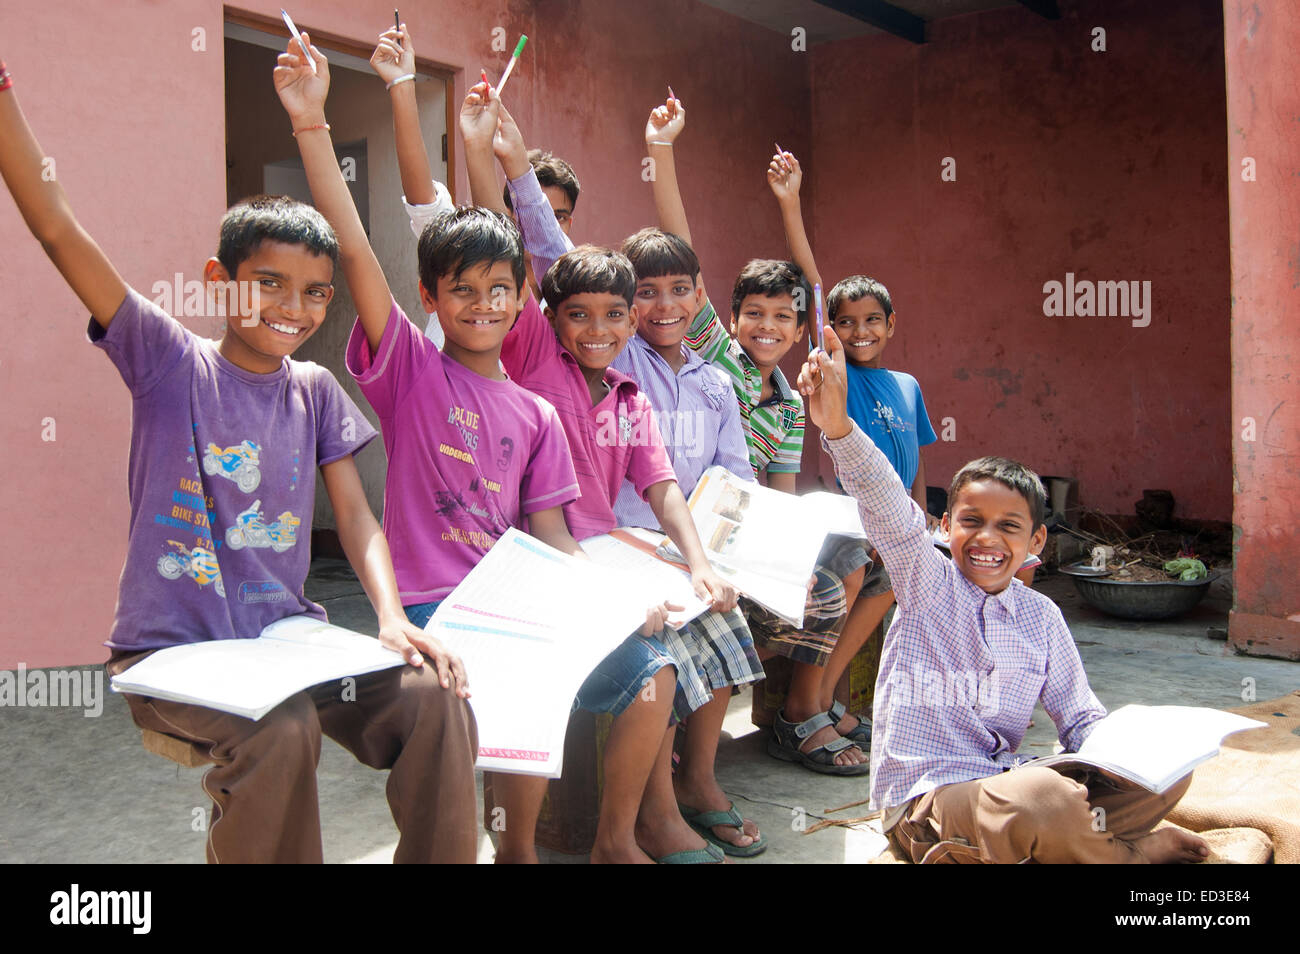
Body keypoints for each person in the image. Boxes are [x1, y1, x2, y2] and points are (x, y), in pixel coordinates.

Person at [0, 50, 479, 863]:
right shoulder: (166, 361)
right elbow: (55, 227)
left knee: (436, 698)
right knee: (283, 729)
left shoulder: (317, 389)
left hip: (284, 640)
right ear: (219, 280)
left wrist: (394, 620)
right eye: (269, 284)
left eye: (315, 292)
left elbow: (357, 515)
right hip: (173, 652)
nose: (294, 308)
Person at [796, 330, 1210, 864]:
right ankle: (1131, 855)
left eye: (1009, 526)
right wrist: (839, 428)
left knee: (1166, 771)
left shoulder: (1041, 616)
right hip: (930, 803)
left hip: (1005, 781)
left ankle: (1071, 841)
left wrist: (1130, 749)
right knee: (1046, 800)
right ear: (945, 527)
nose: (987, 539)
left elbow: (1080, 719)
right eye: (971, 521)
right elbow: (886, 503)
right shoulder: (927, 582)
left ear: (1035, 542)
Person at [647, 94, 872, 774]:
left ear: (801, 328)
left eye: (782, 318)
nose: (766, 328)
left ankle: (804, 708)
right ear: (731, 317)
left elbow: (774, 496)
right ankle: (785, 718)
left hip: (743, 539)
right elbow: (680, 247)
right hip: (688, 536)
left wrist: (789, 557)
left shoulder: (790, 400)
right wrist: (663, 151)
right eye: (753, 314)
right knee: (827, 594)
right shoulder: (715, 354)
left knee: (862, 562)